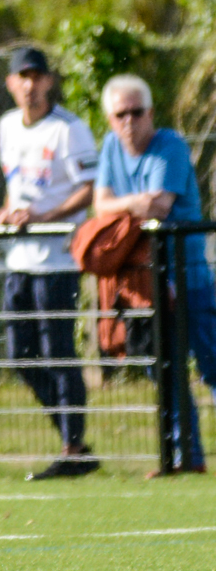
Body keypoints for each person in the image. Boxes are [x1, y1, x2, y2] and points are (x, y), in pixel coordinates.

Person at [94, 74, 212, 474]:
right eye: (120, 114)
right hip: (146, 283)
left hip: (189, 277)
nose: (129, 121)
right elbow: (100, 205)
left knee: (212, 365)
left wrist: (122, 204)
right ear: (110, 119)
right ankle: (185, 458)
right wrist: (134, 202)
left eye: (136, 112)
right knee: (165, 373)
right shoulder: (112, 146)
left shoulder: (170, 146)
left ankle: (185, 456)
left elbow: (159, 206)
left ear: (151, 114)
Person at [0, 47, 100, 480]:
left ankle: (72, 447)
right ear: (11, 83)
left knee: (58, 351)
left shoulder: (68, 129)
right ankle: (72, 440)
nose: (31, 85)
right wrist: (7, 211)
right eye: (23, 76)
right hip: (19, 258)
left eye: (38, 76)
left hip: (57, 257)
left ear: (49, 81)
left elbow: (88, 189)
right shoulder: (5, 126)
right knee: (20, 355)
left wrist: (43, 217)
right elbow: (14, 186)